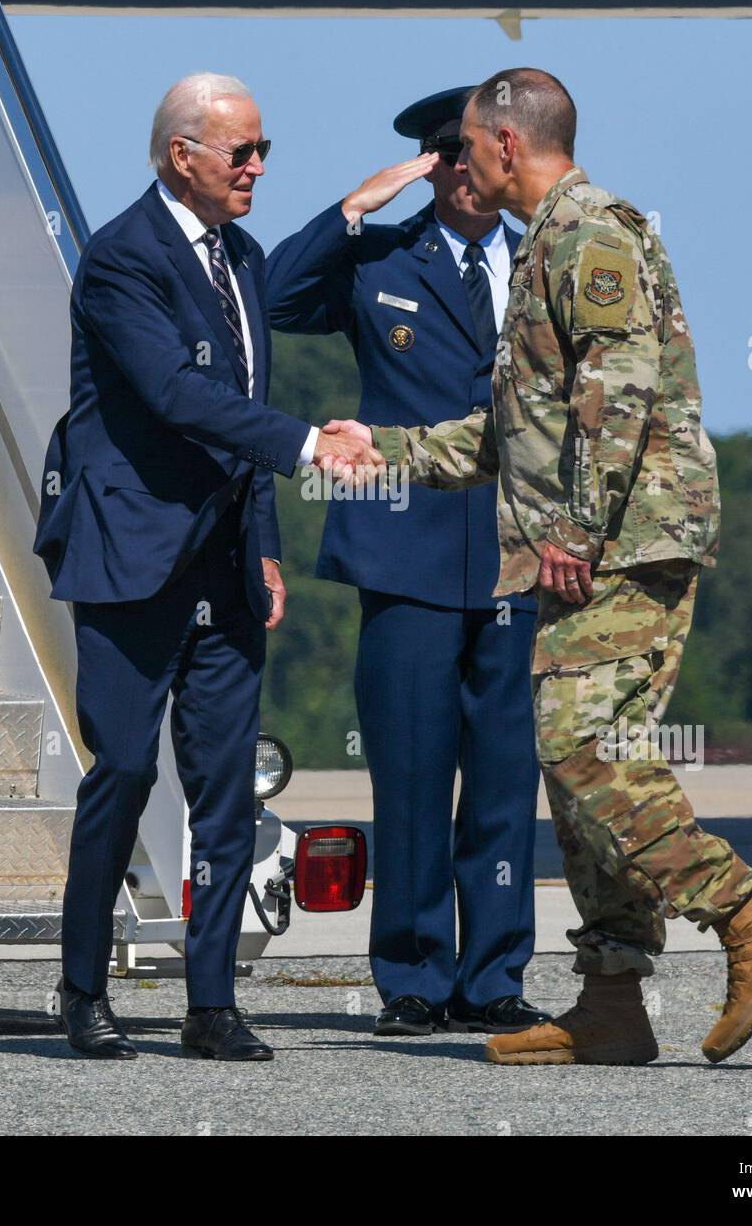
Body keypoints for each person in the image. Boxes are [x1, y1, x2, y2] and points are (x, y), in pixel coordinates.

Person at [329, 67, 752, 1066]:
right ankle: (610, 997)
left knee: (580, 746)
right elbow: (516, 429)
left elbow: (619, 400)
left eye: (465, 145)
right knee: (573, 757)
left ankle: (742, 917)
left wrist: (570, 531)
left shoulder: (587, 233)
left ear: (507, 145)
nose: (457, 163)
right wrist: (387, 448)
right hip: (595, 534)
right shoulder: (548, 240)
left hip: (624, 539)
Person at [33, 72, 379, 1062]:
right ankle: (81, 988)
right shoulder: (119, 261)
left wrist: (262, 544)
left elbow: (241, 409)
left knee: (226, 789)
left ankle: (212, 1002)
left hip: (222, 567)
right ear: (181, 154)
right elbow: (180, 397)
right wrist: (310, 446)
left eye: (263, 149)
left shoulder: (244, 258)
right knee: (128, 768)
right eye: (242, 152)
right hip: (128, 556)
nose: (257, 167)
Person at [266, 89, 548, 1037]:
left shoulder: (544, 259)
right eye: (451, 162)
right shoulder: (384, 257)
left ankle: (495, 977)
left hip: (517, 555)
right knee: (414, 777)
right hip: (405, 552)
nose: (470, 178)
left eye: (478, 159)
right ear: (433, 166)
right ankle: (415, 979)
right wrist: (353, 209)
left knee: (506, 782)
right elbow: (274, 298)